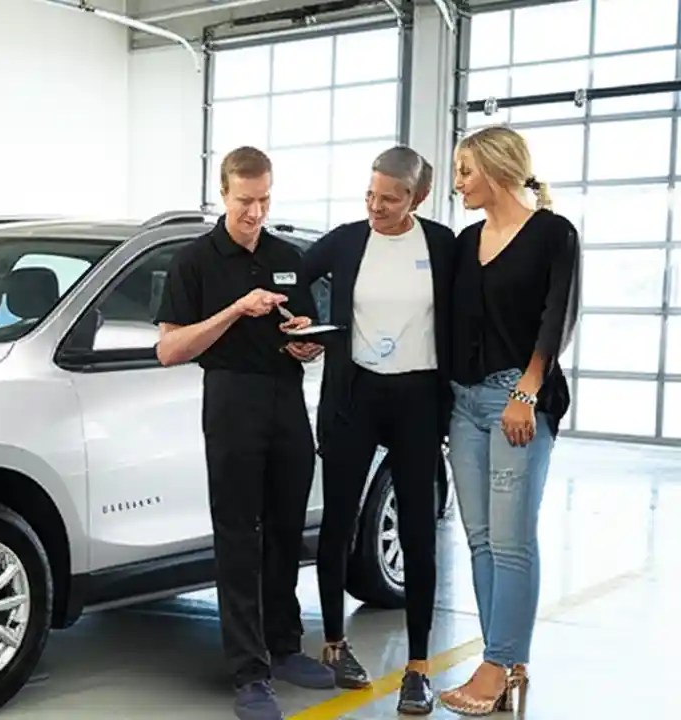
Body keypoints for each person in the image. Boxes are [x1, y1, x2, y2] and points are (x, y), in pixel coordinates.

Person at [154, 146, 336, 720]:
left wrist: (306, 340)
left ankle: (283, 645)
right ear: (222, 194)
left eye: (264, 200)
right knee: (238, 535)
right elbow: (169, 349)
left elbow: (304, 330)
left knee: (287, 529)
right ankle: (248, 673)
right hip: (231, 399)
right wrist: (234, 310)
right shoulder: (195, 262)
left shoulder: (287, 256)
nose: (255, 212)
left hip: (286, 398)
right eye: (244, 202)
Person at [295, 145, 457, 715]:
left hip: (418, 398)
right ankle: (335, 646)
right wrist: (303, 328)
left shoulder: (440, 245)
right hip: (354, 394)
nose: (377, 207)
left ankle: (417, 666)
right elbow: (297, 275)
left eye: (390, 199)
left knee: (417, 527)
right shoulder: (345, 240)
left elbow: (466, 311)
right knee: (338, 521)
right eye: (370, 195)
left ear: (417, 196)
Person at [437, 126, 580, 715]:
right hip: (465, 403)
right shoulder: (468, 240)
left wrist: (527, 389)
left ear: (495, 168)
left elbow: (558, 315)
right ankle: (505, 662)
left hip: (516, 400)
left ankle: (497, 666)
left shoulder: (553, 233)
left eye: (464, 170)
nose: (458, 182)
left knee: (512, 541)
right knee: (480, 540)